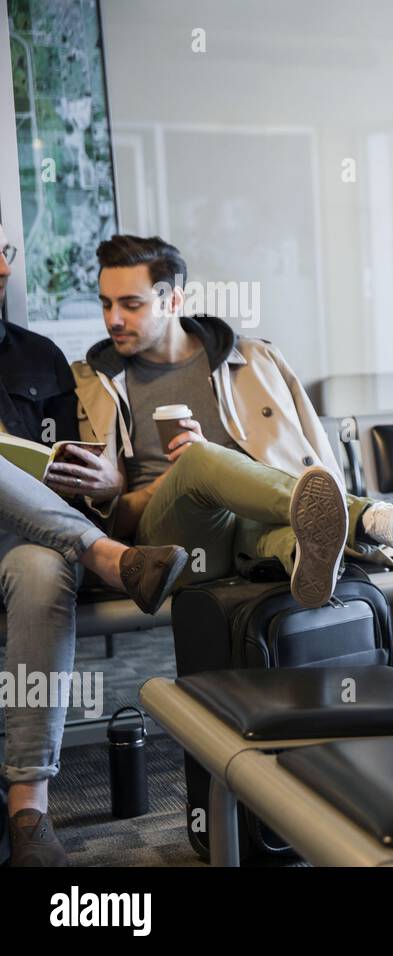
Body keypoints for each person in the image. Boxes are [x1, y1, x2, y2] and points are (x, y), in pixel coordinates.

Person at [65, 235, 393, 608]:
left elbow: (312, 454)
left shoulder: (256, 362)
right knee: (199, 460)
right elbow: (110, 523)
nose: (113, 320)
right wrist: (174, 479)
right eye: (106, 304)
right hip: (170, 551)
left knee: (275, 531)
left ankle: (303, 559)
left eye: (130, 305)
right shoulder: (92, 385)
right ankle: (367, 519)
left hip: (250, 537)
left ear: (172, 301)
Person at [0, 223, 187, 866]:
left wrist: (89, 479)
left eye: (1, 252)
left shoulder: (40, 359)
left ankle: (29, 808)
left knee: (40, 570)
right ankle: (109, 558)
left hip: (24, 541)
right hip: (79, 540)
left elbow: (62, 463)